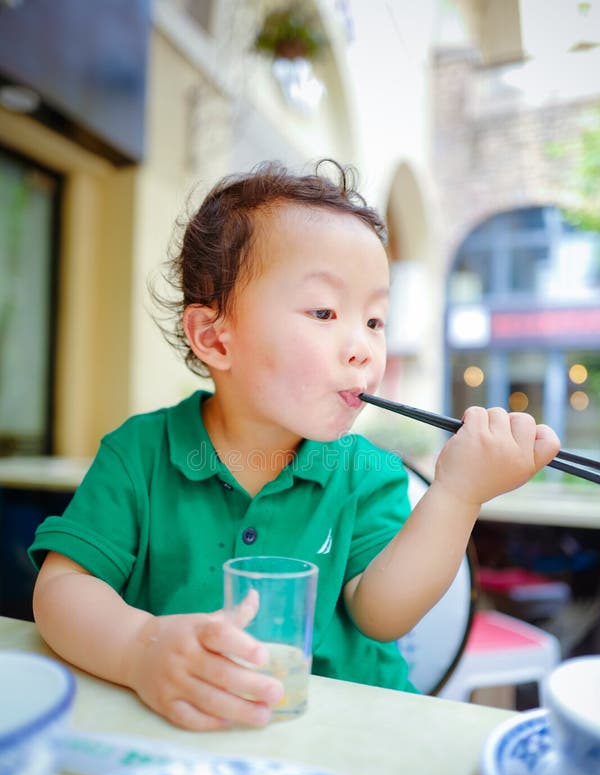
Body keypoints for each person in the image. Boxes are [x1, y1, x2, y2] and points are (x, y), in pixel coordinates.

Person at [29, 160, 560, 732]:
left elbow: (383, 614)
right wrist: (139, 648)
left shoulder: (365, 474)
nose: (363, 348)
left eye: (375, 321)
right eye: (324, 312)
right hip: (188, 735)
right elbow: (62, 589)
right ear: (214, 338)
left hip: (342, 738)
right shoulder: (140, 454)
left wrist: (459, 494)